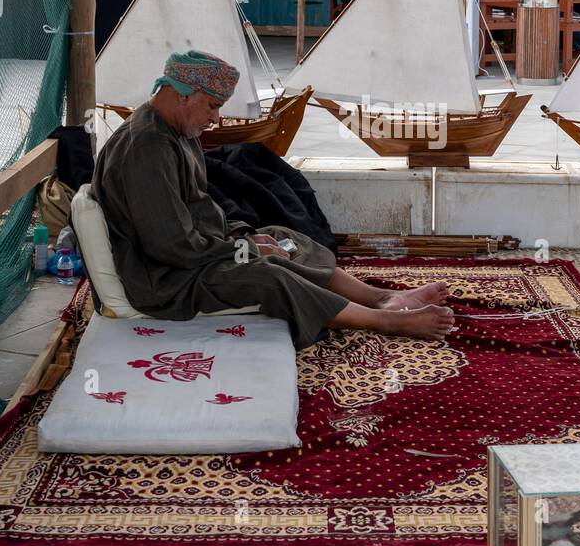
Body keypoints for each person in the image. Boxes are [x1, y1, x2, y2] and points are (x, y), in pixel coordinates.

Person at [92, 50, 455, 347]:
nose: (216, 119)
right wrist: (245, 252)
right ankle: (386, 321)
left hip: (195, 254)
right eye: (212, 106)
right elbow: (170, 246)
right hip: (165, 280)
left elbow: (199, 211)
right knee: (267, 275)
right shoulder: (147, 149)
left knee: (286, 239)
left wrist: (246, 238)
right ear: (181, 95)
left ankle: (379, 297)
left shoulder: (176, 131)